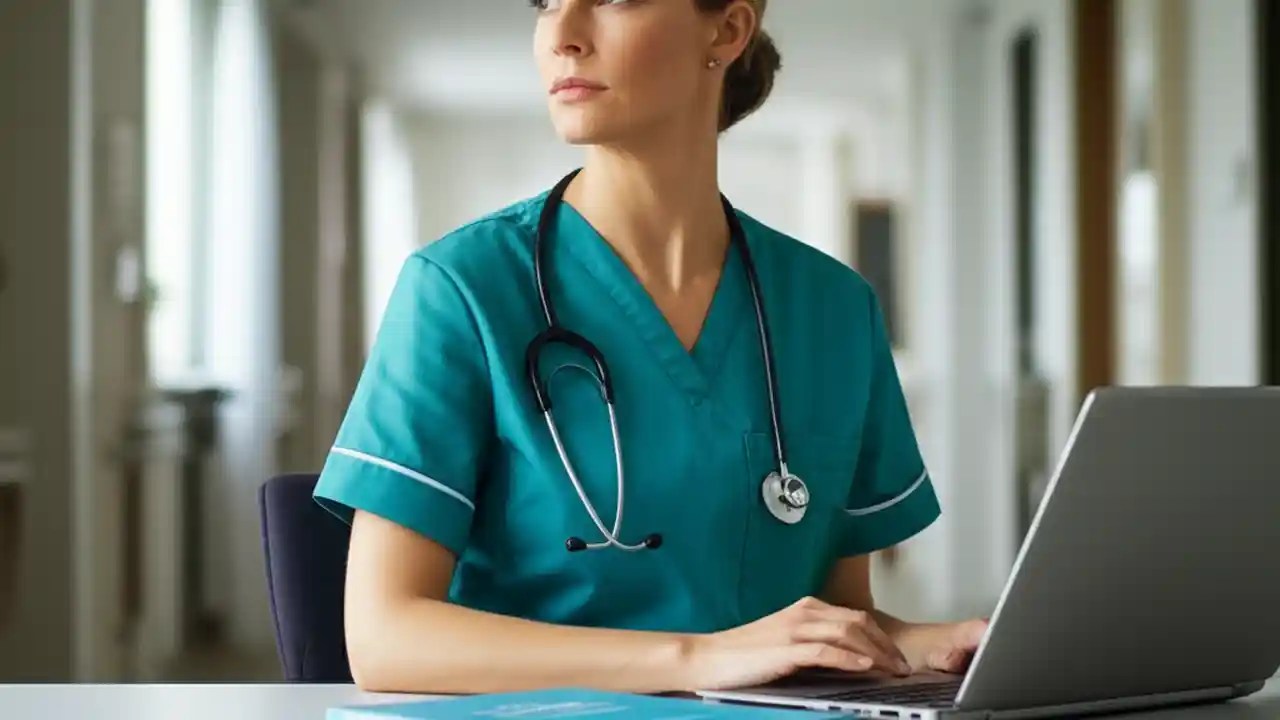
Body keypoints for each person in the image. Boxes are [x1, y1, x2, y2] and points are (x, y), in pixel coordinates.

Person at [314, 0, 988, 696]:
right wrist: (700, 659)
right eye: (546, 4)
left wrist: (919, 643)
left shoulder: (835, 309)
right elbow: (385, 638)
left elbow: (838, 612)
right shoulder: (461, 290)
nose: (564, 36)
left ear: (727, 30)